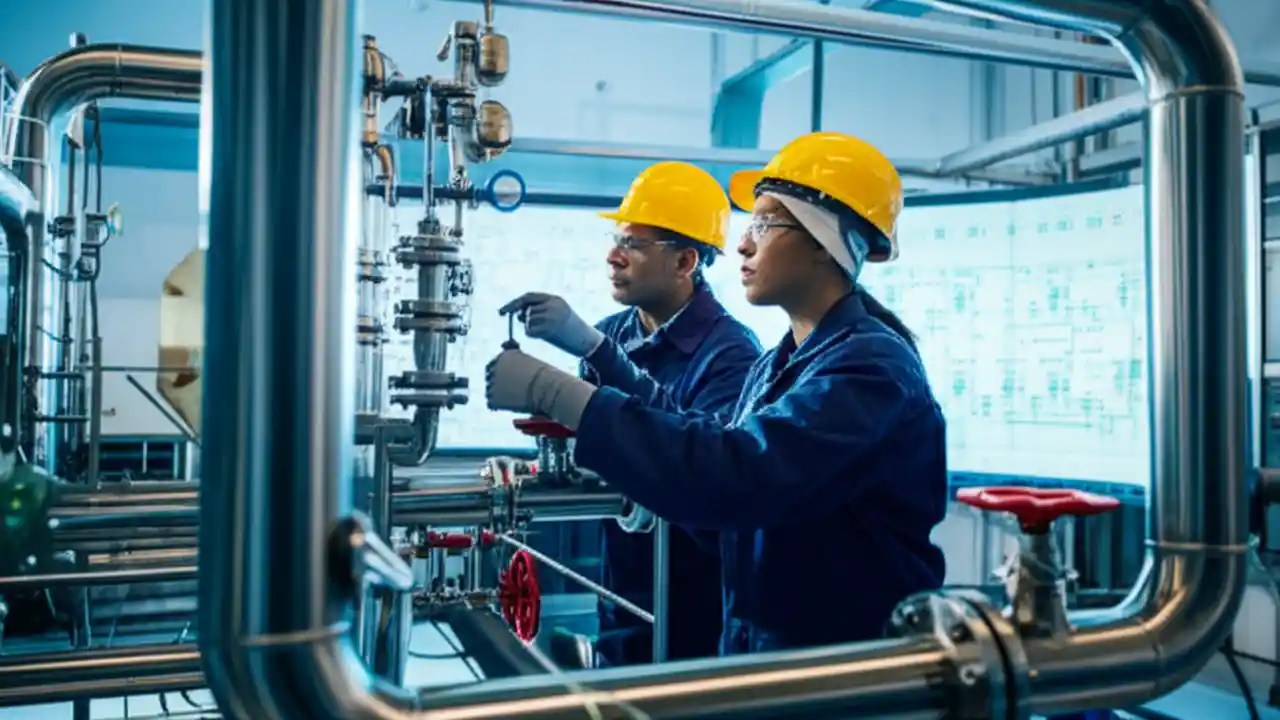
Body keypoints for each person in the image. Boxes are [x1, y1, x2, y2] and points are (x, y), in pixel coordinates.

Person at [486, 131, 948, 655]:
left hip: (845, 671)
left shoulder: (870, 370)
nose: (744, 244)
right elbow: (712, 469)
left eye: (765, 223)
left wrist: (561, 394)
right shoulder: (783, 363)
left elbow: (739, 473)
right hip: (772, 660)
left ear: (826, 244)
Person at [500, 161, 761, 667]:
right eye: (617, 239)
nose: (613, 257)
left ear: (686, 261)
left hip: (693, 606)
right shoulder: (612, 331)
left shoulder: (732, 354)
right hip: (619, 587)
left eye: (634, 245)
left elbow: (702, 461)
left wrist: (601, 356)